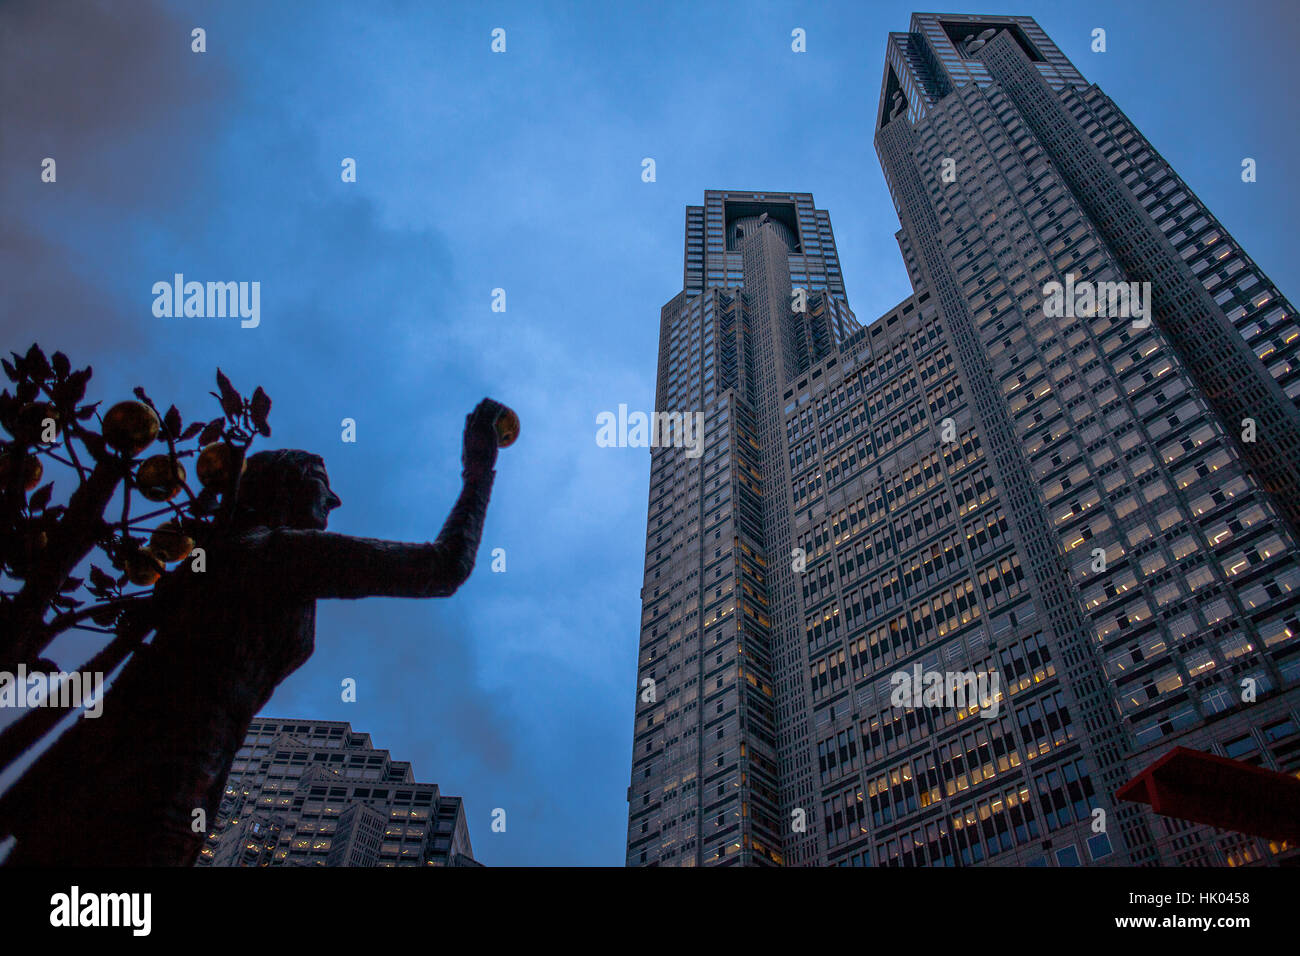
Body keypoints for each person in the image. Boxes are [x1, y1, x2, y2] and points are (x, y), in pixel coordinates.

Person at [0, 400, 502, 866]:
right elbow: (444, 567)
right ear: (282, 488)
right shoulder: (275, 553)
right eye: (317, 481)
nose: (333, 499)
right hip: (157, 774)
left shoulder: (228, 554)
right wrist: (478, 469)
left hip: (139, 763)